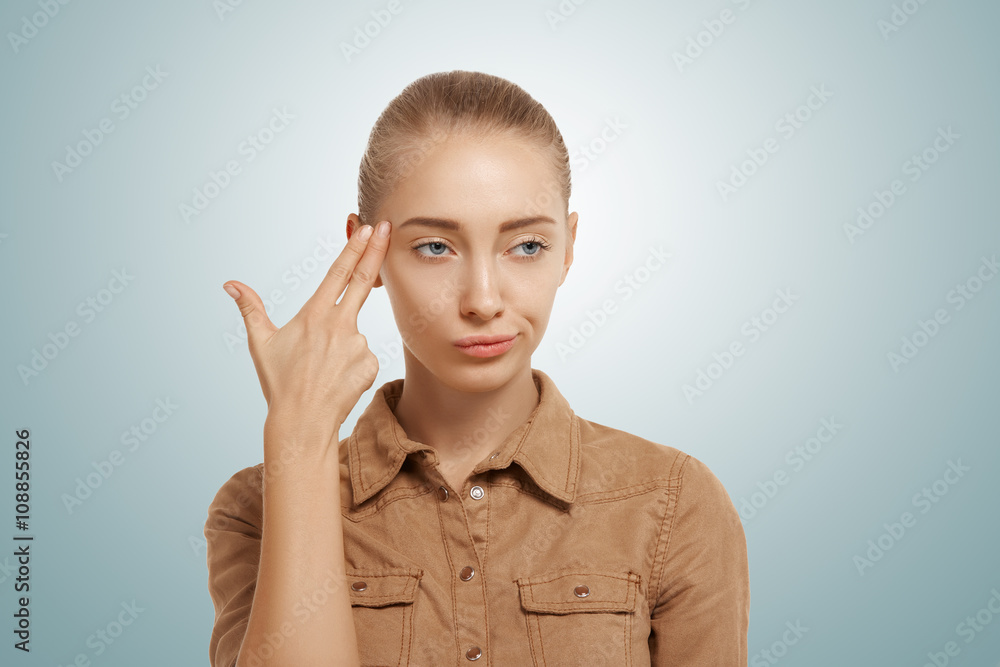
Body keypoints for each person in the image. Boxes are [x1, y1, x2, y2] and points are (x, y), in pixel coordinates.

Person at [204, 70, 749, 666]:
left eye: (527, 246)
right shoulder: (255, 506)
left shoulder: (673, 502)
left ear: (568, 246)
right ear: (368, 252)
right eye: (435, 247)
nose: (483, 300)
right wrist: (300, 432)